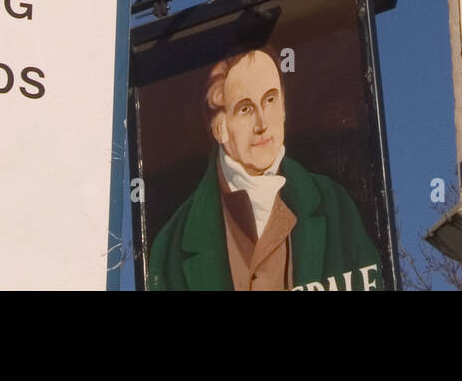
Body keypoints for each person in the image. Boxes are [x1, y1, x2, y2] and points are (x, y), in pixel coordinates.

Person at [147, 48, 383, 291]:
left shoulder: (335, 205)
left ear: (283, 109)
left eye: (270, 100)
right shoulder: (172, 246)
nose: (262, 123)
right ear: (220, 128)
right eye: (246, 109)